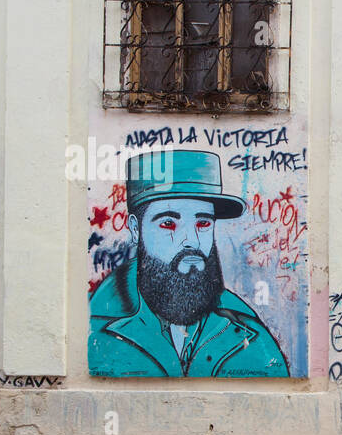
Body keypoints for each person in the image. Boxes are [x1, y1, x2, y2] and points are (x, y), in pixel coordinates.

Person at [89, 149, 289, 378]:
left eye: (203, 223)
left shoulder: (248, 333)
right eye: (168, 224)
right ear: (135, 229)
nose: (191, 241)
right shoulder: (93, 328)